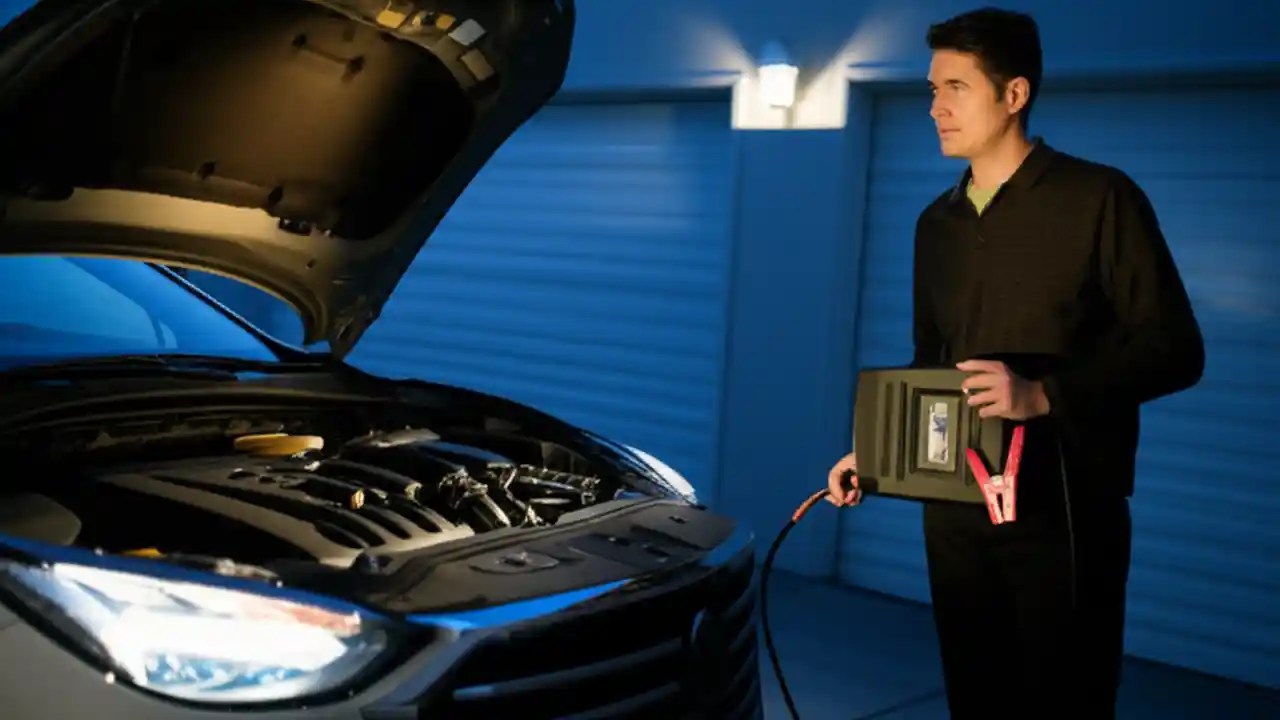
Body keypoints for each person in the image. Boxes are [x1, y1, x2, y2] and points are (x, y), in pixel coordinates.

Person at [826, 7, 1205, 719]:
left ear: (1014, 94)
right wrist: (873, 454)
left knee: (1067, 702)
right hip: (955, 514)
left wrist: (1044, 395)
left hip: (1064, 513)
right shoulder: (934, 224)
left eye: (955, 88)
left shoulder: (1099, 199)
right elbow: (930, 364)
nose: (934, 107)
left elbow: (1176, 349)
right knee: (976, 700)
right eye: (932, 89)